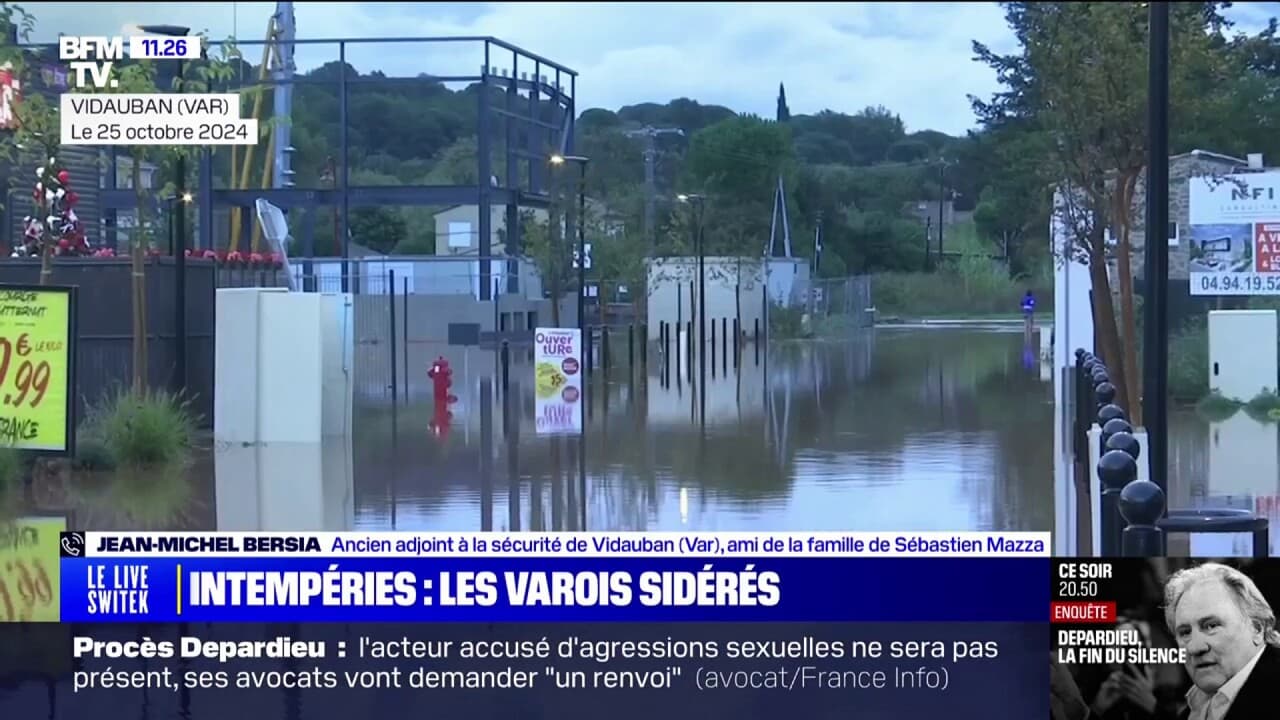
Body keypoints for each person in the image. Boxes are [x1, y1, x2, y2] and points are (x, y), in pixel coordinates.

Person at [1164, 562, 1280, 720]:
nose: (1194, 647)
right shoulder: (1192, 709)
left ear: (1257, 628)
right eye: (1185, 633)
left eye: (1211, 626)